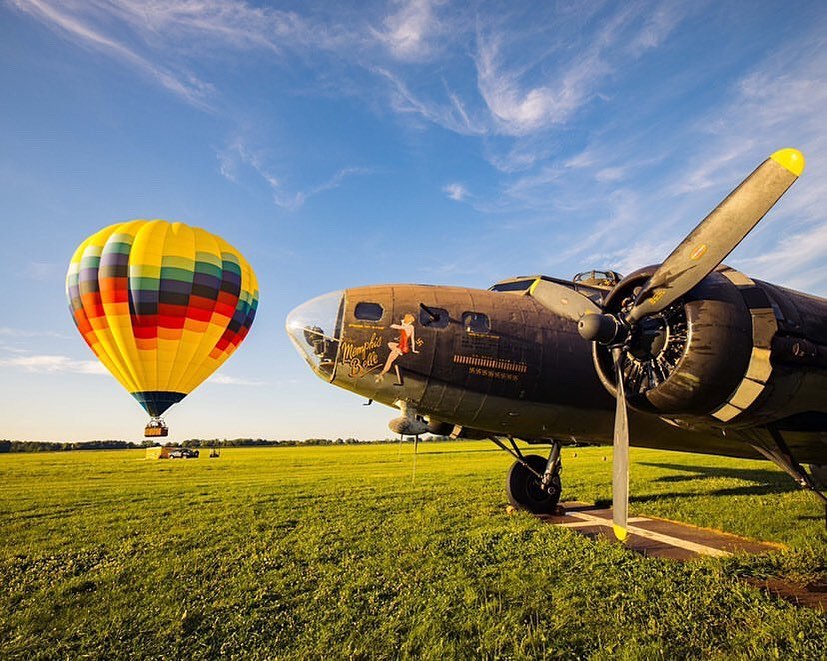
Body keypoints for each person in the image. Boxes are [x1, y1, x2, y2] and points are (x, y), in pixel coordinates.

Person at [375, 313, 418, 382]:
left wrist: (402, 324)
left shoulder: (404, 327)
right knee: (390, 344)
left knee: (389, 360)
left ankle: (381, 375)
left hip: (401, 348)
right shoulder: (412, 327)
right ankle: (381, 375)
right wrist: (413, 349)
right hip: (404, 346)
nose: (410, 322)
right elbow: (412, 339)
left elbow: (392, 326)